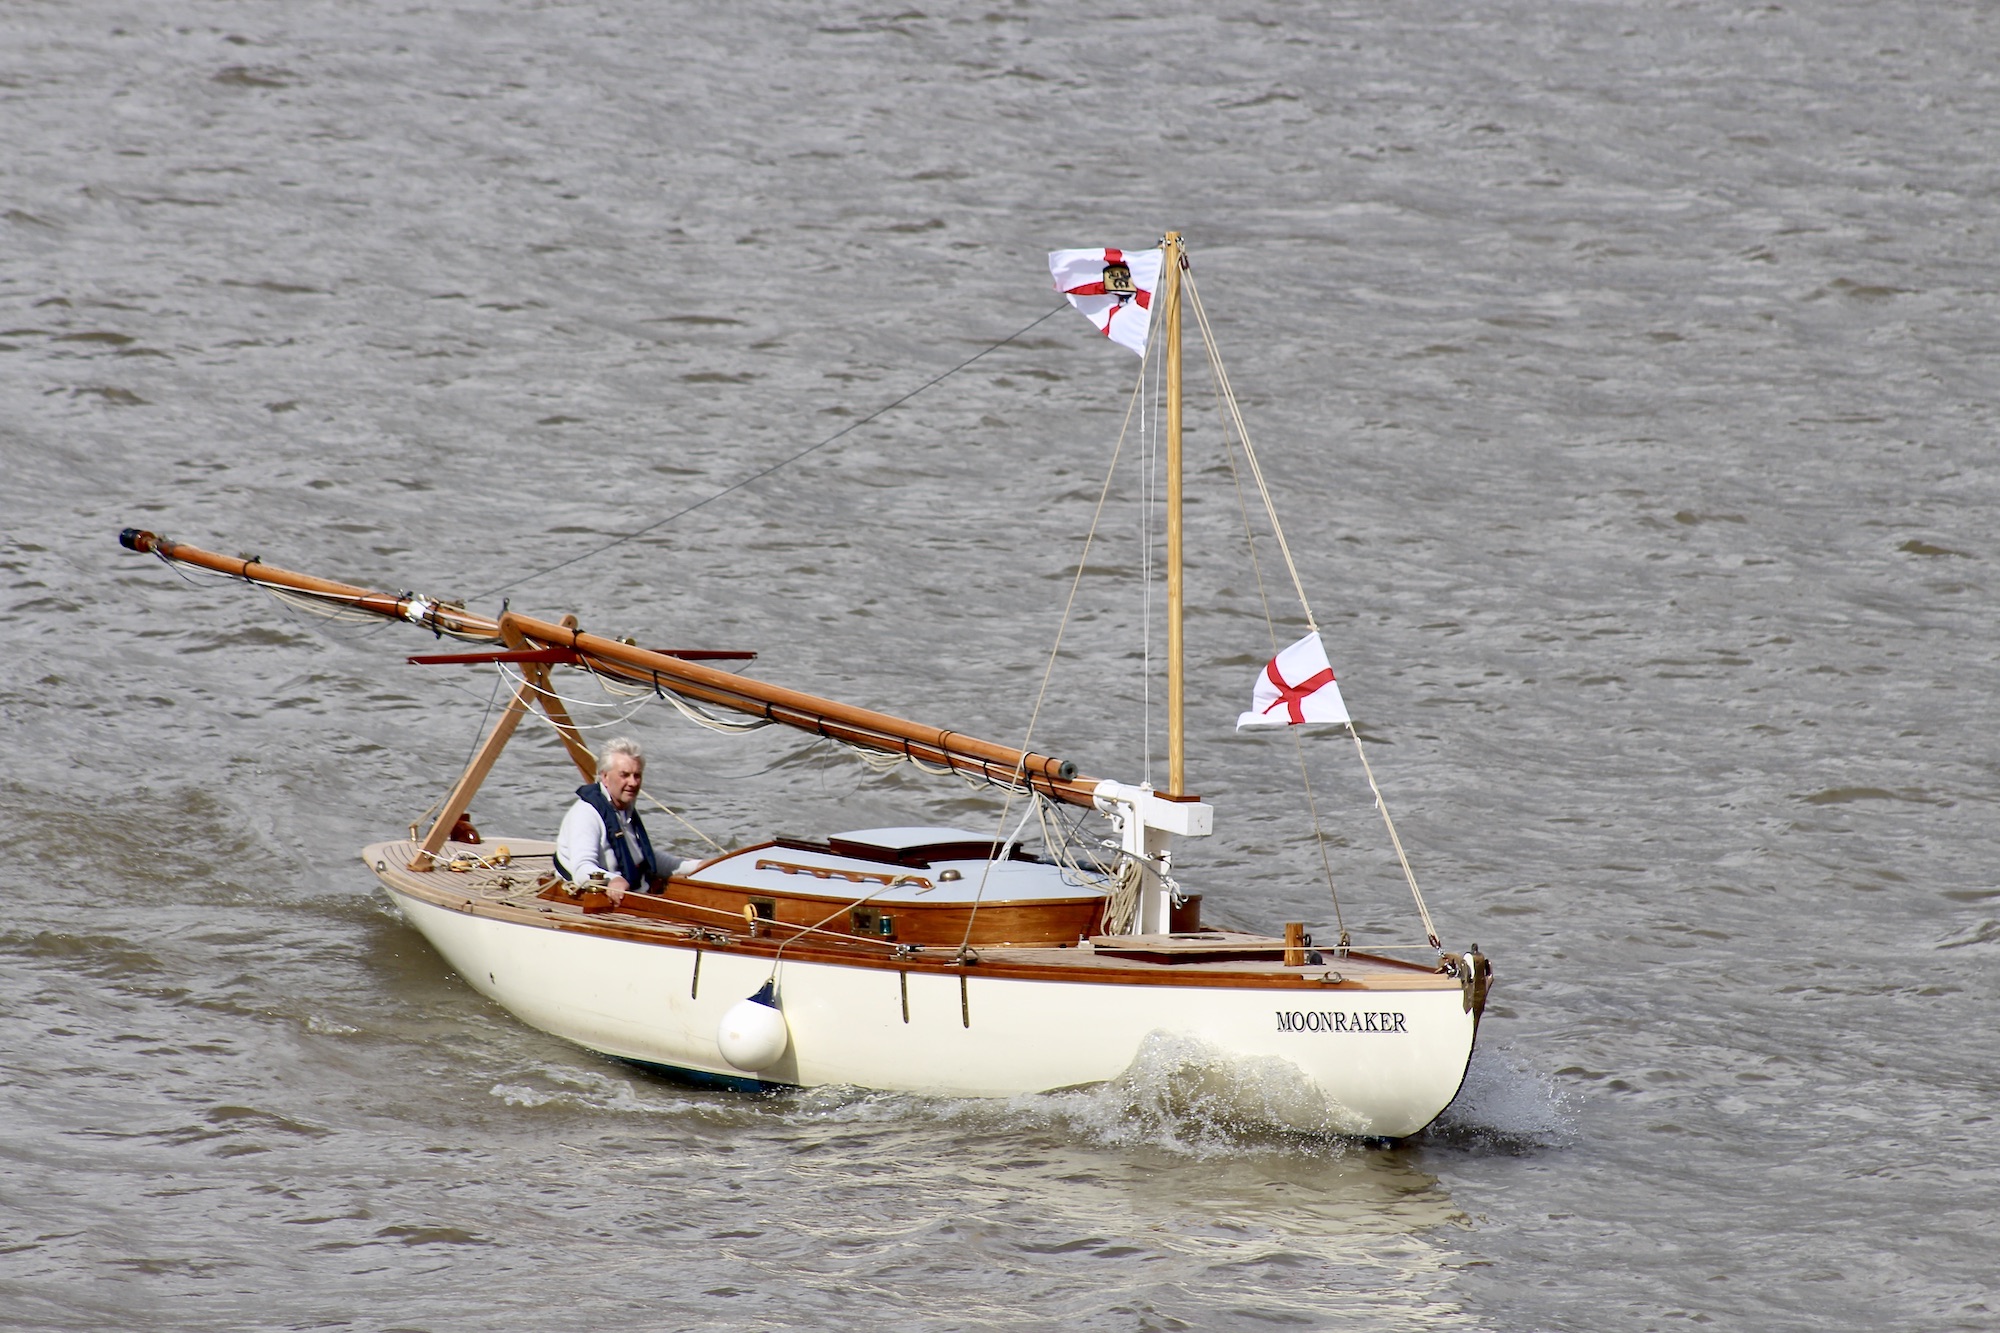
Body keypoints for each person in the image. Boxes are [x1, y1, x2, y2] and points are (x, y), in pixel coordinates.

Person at [554, 737, 681, 906]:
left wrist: (698, 867)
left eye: (637, 775)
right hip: (598, 903)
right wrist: (613, 881)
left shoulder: (624, 808)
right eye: (624, 775)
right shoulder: (585, 814)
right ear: (605, 777)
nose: (633, 782)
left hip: (639, 895)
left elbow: (642, 856)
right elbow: (581, 869)